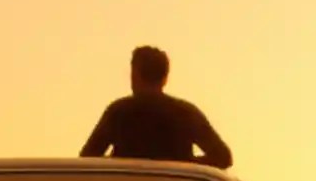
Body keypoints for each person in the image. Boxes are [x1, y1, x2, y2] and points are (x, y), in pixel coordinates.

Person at [78, 46, 233, 170]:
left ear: (135, 75)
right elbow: (223, 158)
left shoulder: (118, 112)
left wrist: (120, 163)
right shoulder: (186, 113)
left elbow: (87, 160)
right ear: (165, 78)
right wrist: (183, 165)